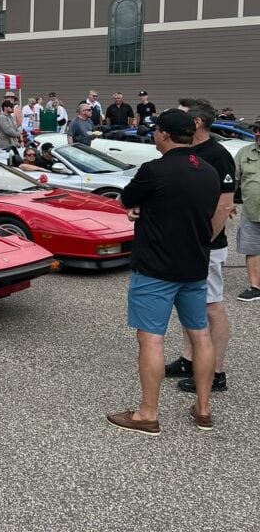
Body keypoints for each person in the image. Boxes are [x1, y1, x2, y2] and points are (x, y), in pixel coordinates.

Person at [108, 109, 220, 435]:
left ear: (165, 134)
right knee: (200, 334)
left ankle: (147, 414)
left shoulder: (154, 170)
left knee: (150, 338)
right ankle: (203, 408)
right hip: (195, 266)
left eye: (156, 131)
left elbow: (124, 200)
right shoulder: (209, 171)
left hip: (155, 268)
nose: (154, 136)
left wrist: (137, 208)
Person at [162, 99, 236, 394]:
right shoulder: (185, 150)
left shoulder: (217, 155)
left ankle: (215, 372)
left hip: (207, 246)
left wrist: (205, 241)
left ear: (196, 123)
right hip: (186, 245)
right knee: (189, 305)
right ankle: (189, 359)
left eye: (181, 116)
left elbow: (225, 205)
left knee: (211, 306)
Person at [234, 118, 260, 302]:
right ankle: (255, 287)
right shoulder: (244, 152)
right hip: (251, 211)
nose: (257, 133)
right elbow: (234, 179)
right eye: (256, 129)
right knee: (252, 249)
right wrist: (228, 202)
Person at [0, 100, 24, 164]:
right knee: (5, 164)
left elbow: (15, 128)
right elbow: (8, 131)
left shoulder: (10, 117)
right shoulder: (1, 117)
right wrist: (19, 135)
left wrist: (19, 137)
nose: (13, 108)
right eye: (11, 107)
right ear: (5, 107)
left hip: (12, 145)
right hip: (4, 146)